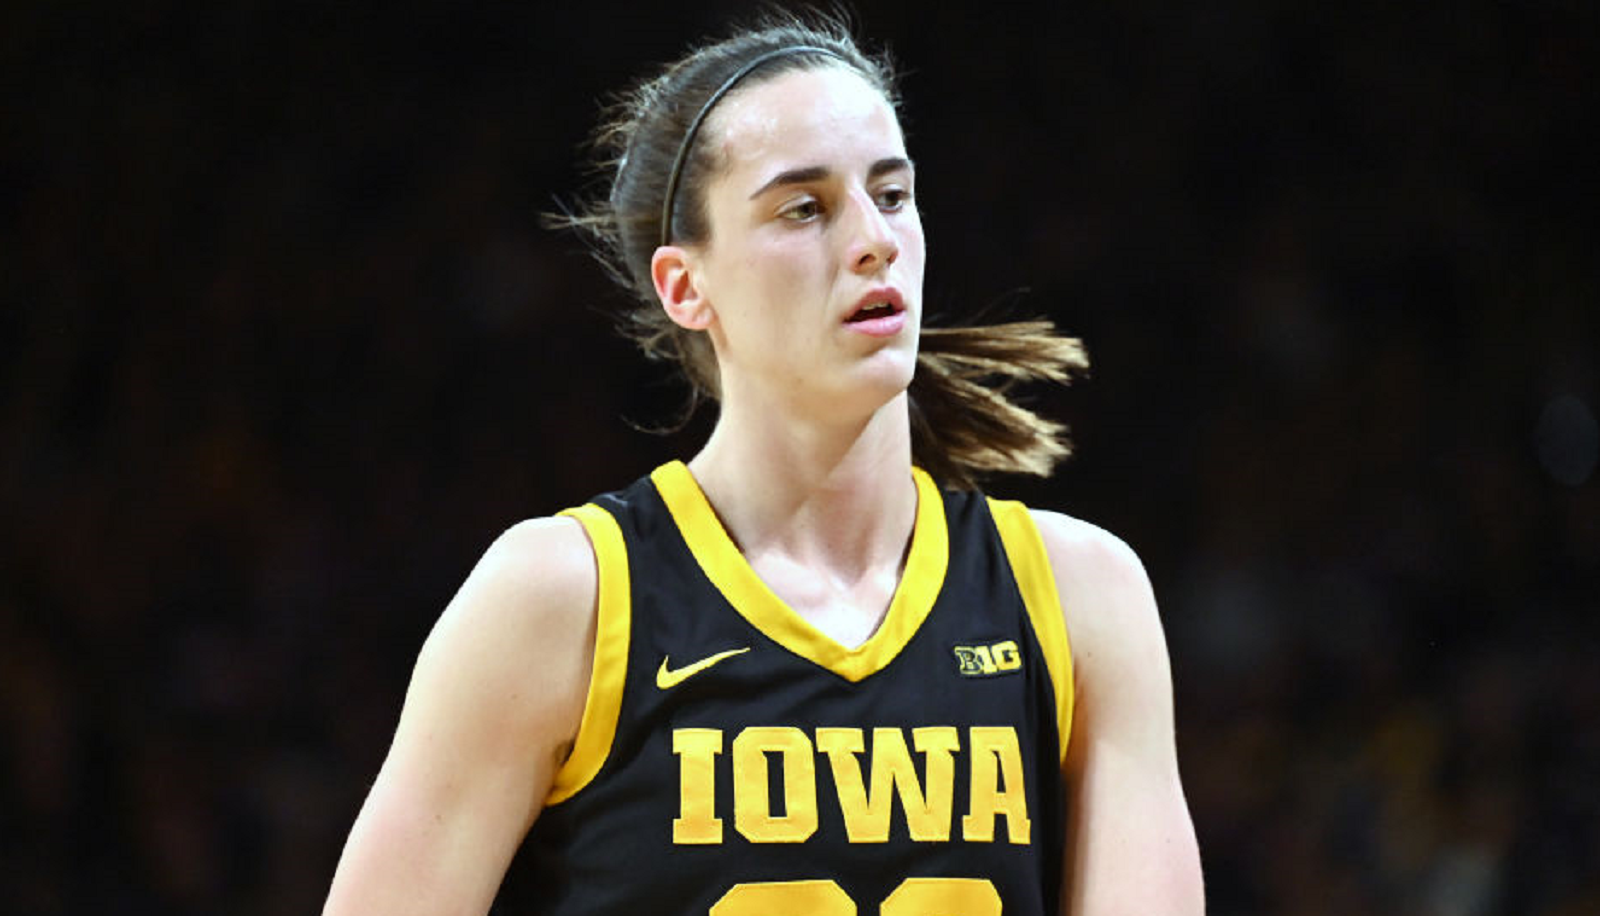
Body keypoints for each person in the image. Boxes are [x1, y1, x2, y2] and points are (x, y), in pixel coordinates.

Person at [323, 13, 1203, 916]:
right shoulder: (565, 599)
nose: (873, 239)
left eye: (891, 194)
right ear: (685, 285)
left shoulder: (1080, 595)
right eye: (804, 208)